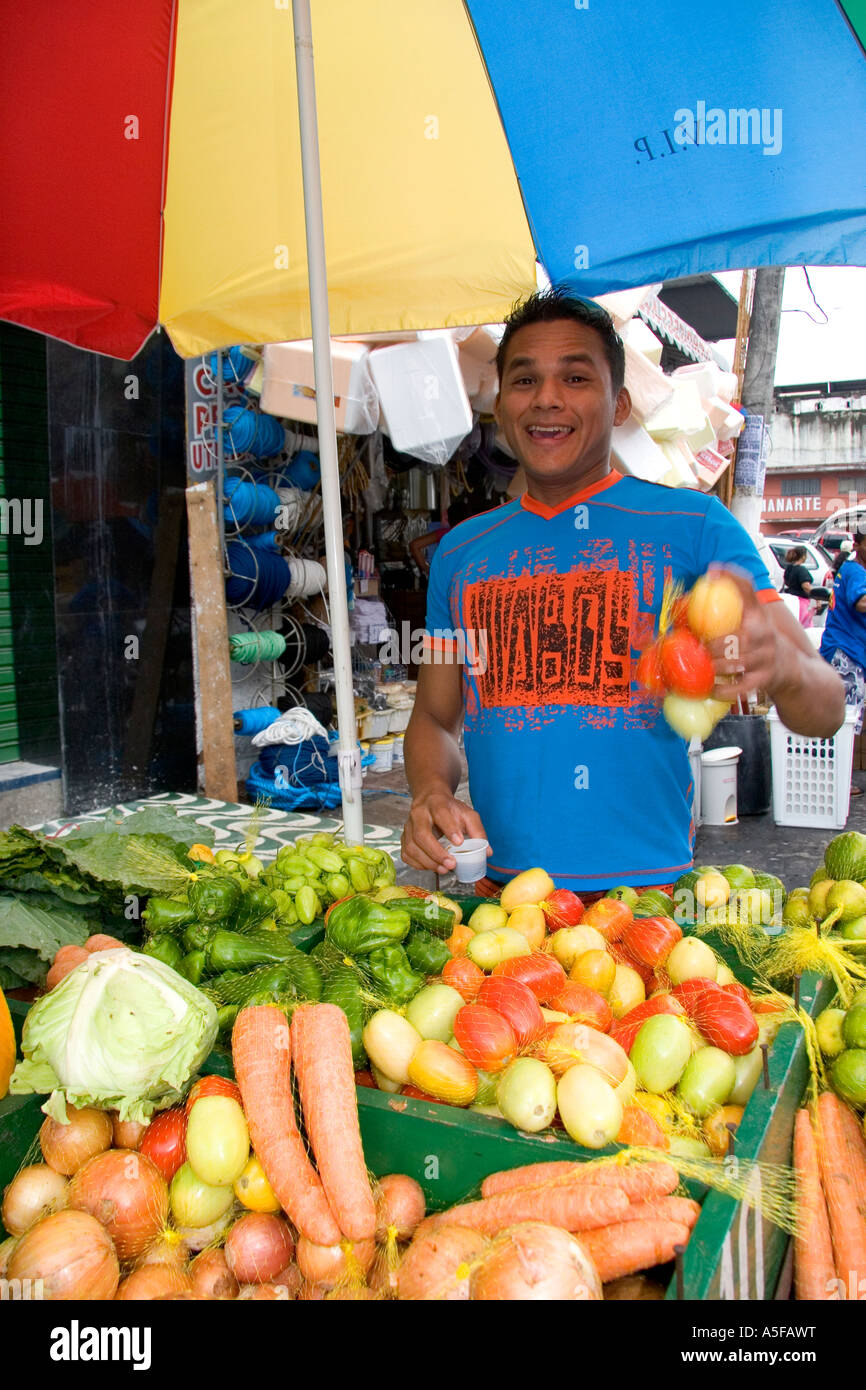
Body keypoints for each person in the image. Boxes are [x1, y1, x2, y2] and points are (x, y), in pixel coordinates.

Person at [401, 289, 845, 893]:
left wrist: (786, 670)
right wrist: (431, 791)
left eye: (576, 377)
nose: (548, 398)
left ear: (620, 406)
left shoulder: (697, 530)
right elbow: (433, 716)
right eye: (525, 380)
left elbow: (825, 710)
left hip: (647, 905)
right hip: (501, 902)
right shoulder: (459, 555)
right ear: (501, 407)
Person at [820, 521, 866, 795]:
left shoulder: (850, 568)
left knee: (846, 717)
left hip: (845, 651)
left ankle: (836, 778)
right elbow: (861, 602)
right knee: (845, 719)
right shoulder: (856, 570)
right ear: (859, 545)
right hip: (845, 655)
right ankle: (837, 780)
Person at [782, 545, 814, 627]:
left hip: (791, 599)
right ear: (803, 556)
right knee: (804, 626)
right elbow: (805, 586)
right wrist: (816, 595)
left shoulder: (789, 568)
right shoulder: (801, 570)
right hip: (801, 601)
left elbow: (786, 582)